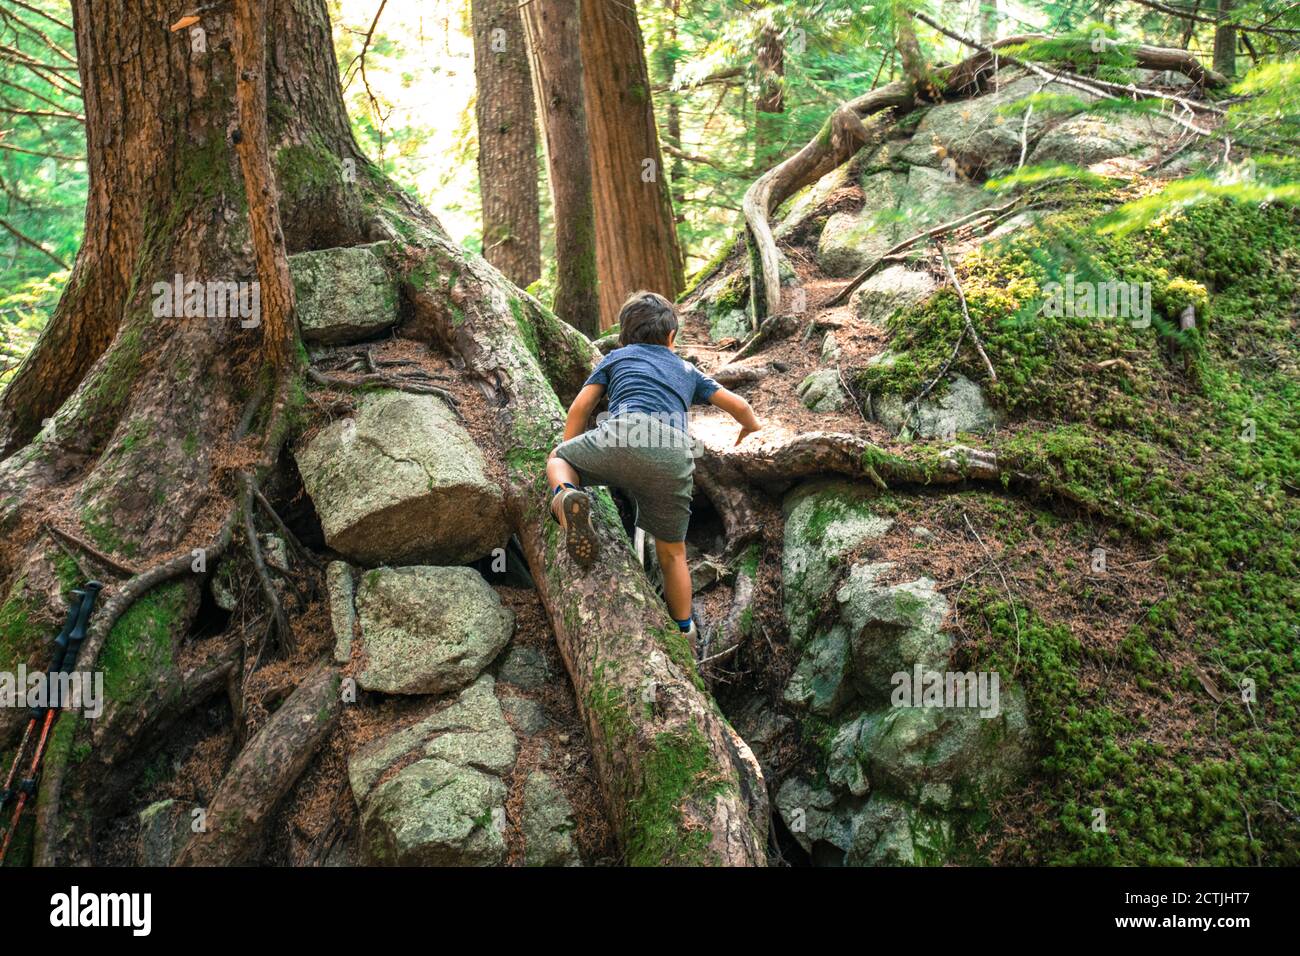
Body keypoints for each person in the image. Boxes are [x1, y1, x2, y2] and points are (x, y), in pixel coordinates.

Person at [545, 290, 761, 642]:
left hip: (621, 435)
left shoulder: (617, 357)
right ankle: (684, 632)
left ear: (624, 334)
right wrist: (751, 429)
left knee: (559, 460)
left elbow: (581, 409)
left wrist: (570, 450)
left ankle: (567, 497)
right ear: (672, 336)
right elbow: (738, 406)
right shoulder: (688, 370)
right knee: (672, 552)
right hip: (675, 453)